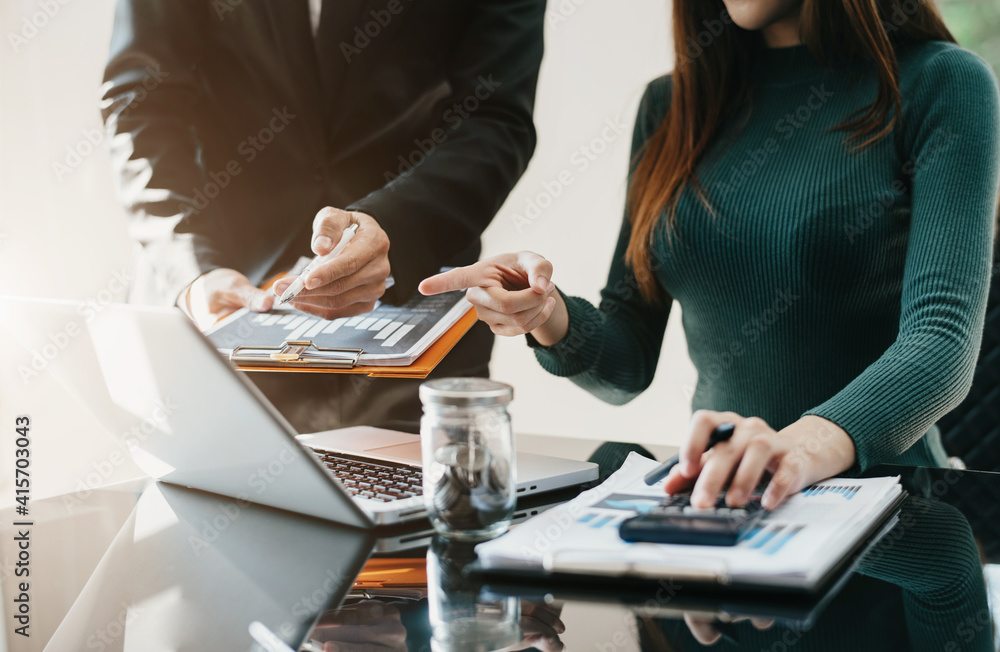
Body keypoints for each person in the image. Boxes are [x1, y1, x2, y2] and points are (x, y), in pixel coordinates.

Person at [420, 0, 1000, 508]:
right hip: (721, 500)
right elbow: (627, 363)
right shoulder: (671, 106)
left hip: (887, 516)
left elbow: (940, 343)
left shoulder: (942, 83)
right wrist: (546, 314)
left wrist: (796, 447)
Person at [100, 0, 544, 432]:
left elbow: (495, 117)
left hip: (410, 334)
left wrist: (390, 228)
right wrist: (192, 268)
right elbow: (142, 102)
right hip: (214, 315)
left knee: (429, 502)